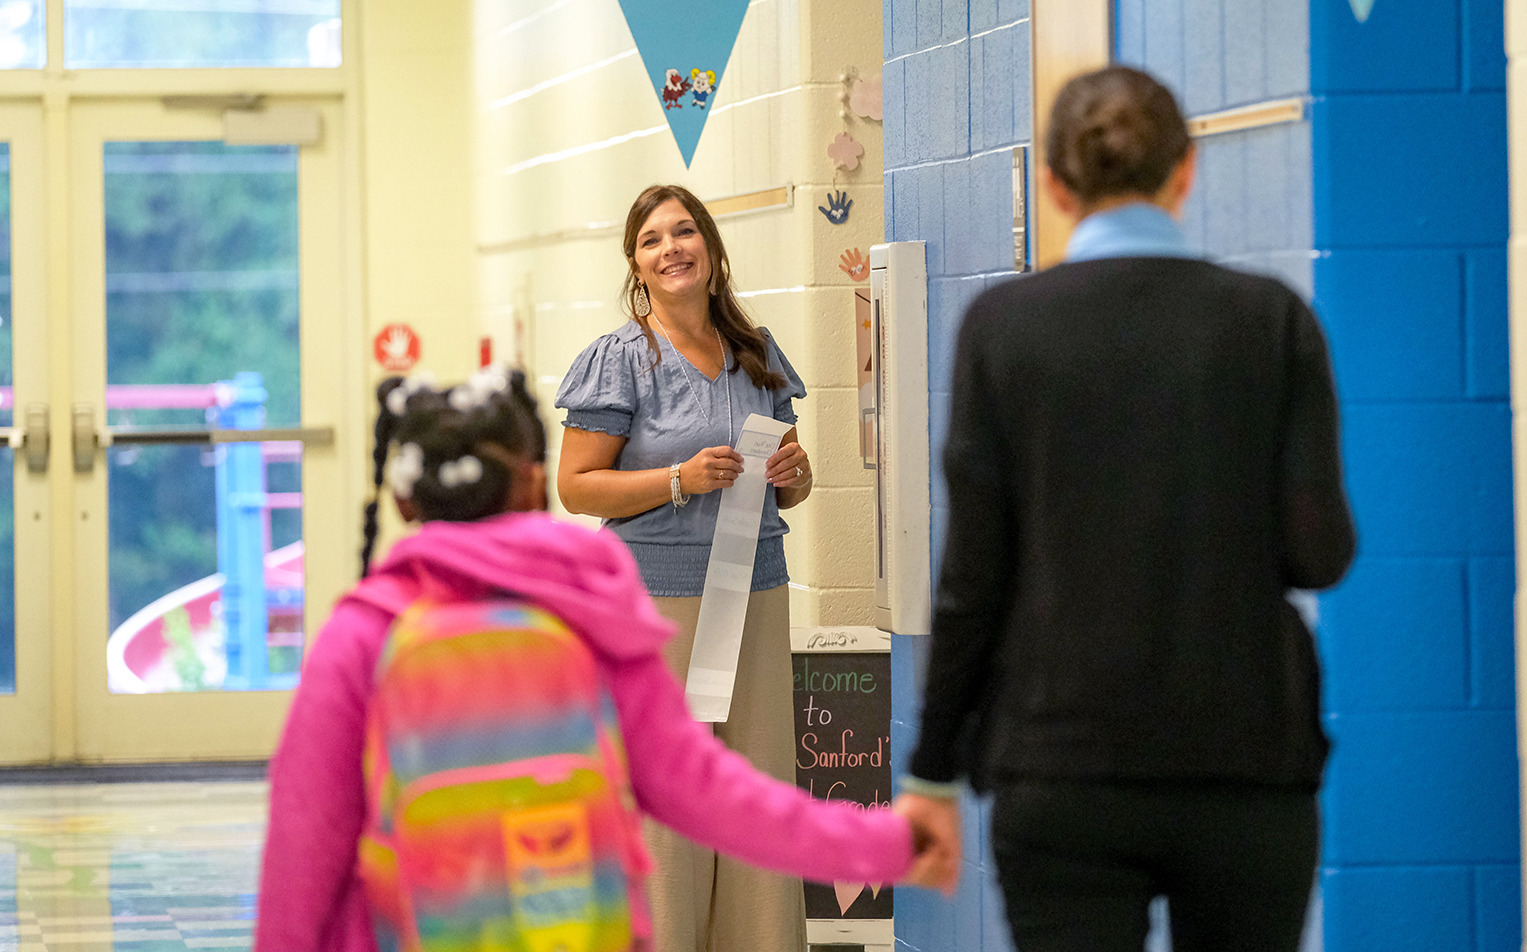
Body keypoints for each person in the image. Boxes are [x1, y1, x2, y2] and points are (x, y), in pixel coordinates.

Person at [895, 65, 1357, 952]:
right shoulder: (1272, 321)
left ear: (1057, 187)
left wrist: (934, 774)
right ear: (1186, 172)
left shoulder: (1003, 326)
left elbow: (973, 577)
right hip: (1243, 755)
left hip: (1060, 763)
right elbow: (1320, 554)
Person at [254, 367, 947, 952]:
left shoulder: (364, 636)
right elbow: (711, 793)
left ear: (405, 502)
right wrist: (889, 841)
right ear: (531, 484)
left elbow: (304, 849)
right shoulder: (590, 616)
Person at [554, 184, 814, 952]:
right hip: (658, 607)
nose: (672, 248)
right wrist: (677, 480)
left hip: (753, 593)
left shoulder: (758, 352)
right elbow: (576, 487)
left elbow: (794, 488)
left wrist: (795, 472)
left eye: (685, 231)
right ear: (636, 263)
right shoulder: (620, 360)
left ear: (710, 246)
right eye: (652, 240)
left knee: (757, 786)